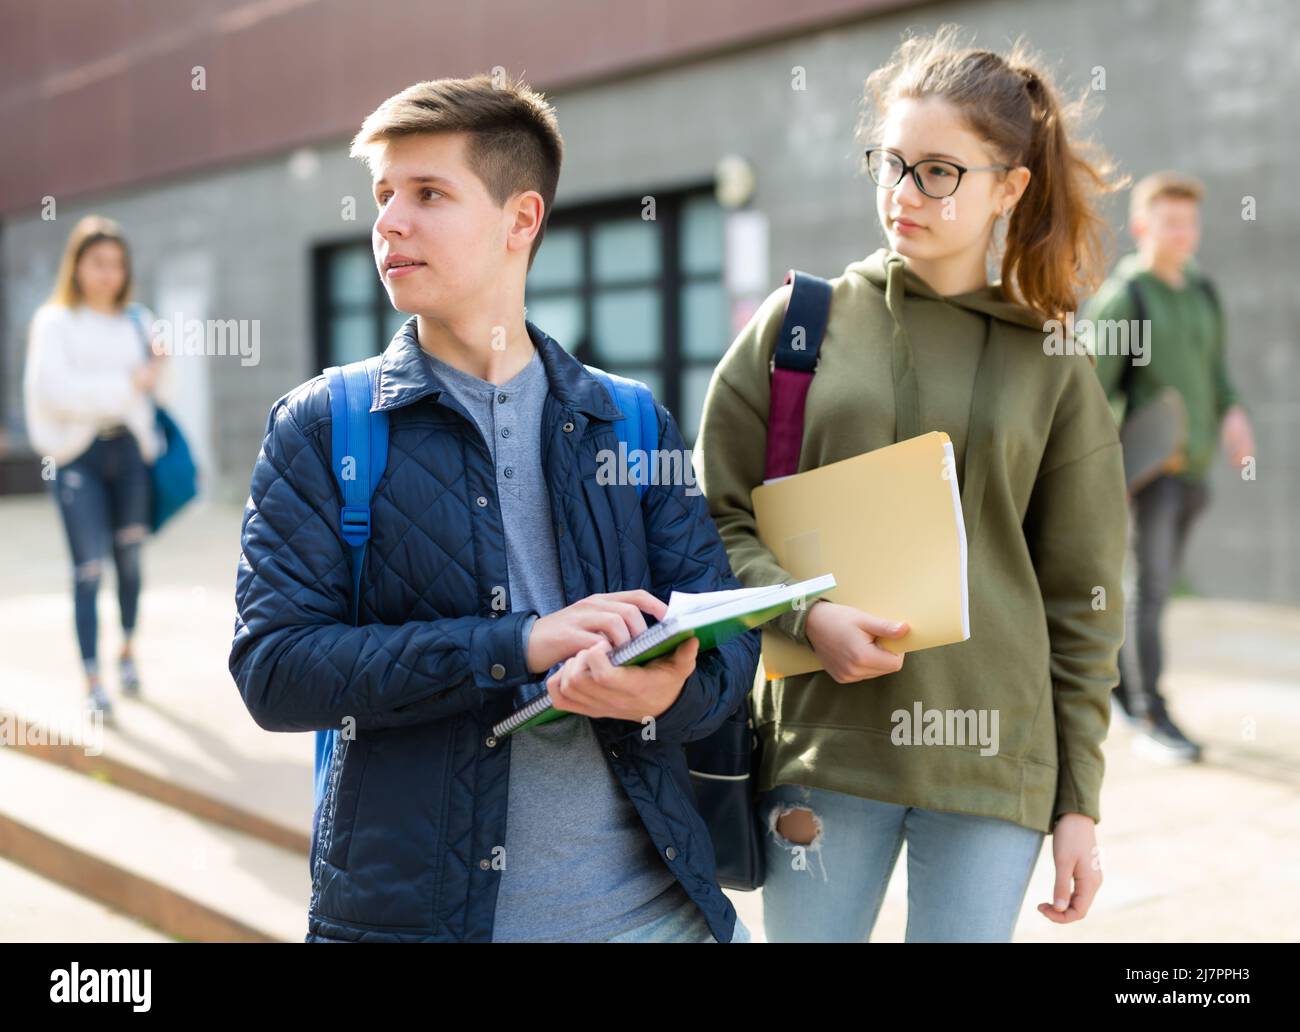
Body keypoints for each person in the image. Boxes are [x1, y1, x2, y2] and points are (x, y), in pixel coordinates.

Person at [228, 74, 759, 943]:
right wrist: (513, 647)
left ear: (522, 220)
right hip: (420, 924)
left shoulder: (628, 421)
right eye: (384, 195)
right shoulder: (323, 426)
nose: (389, 222)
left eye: (429, 193)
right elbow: (276, 671)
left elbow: (728, 645)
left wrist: (663, 697)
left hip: (664, 920)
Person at [695, 26, 1128, 941]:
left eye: (939, 171)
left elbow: (1083, 599)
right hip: (823, 744)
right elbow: (713, 515)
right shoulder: (800, 324)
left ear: (1009, 186)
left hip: (996, 758)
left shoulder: (1051, 357)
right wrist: (801, 615)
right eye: (891, 163)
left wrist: (1078, 803)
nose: (904, 193)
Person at [1086, 172, 1254, 762]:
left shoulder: (1203, 294)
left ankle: (1120, 691)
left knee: (1155, 589)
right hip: (1148, 477)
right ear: (1141, 227)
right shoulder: (1124, 298)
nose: (1184, 234)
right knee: (1150, 589)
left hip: (1196, 472)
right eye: (1170, 222)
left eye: (1190, 222)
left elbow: (1218, 377)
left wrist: (1234, 417)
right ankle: (1148, 708)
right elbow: (1085, 396)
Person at [23, 214, 169, 721]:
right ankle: (92, 679)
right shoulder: (54, 321)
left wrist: (131, 384)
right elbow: (55, 395)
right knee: (88, 569)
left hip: (129, 453)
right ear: (77, 266)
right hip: (75, 458)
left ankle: (127, 652)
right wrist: (130, 380)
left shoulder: (139, 320)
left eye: (116, 263)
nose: (108, 273)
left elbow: (155, 391)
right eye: (97, 262)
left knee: (130, 559)